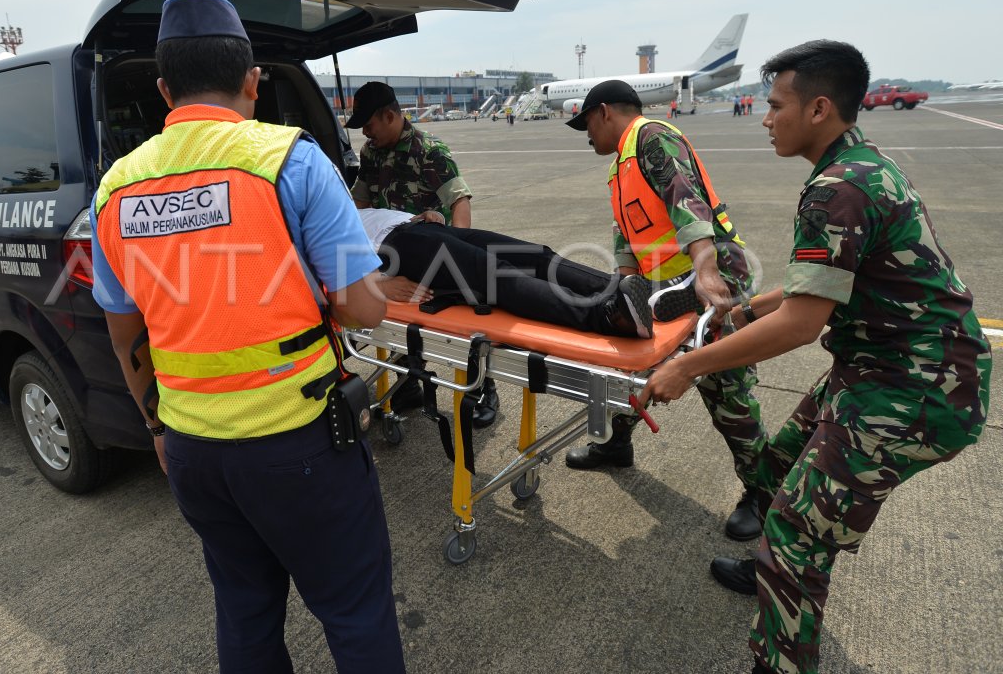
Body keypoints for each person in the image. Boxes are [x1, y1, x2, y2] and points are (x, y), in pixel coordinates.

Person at [641, 40, 991, 674]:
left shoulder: (837, 189)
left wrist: (686, 366)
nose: (766, 117)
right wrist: (742, 312)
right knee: (779, 468)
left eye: (776, 105)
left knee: (797, 532)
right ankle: (774, 578)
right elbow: (816, 284)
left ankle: (778, 657)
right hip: (884, 368)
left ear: (819, 108)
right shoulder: (861, 164)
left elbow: (802, 323)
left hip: (914, 389)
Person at [91, 0, 405, 673]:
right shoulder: (289, 160)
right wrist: (367, 292)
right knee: (353, 613)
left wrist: (156, 427)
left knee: (244, 609)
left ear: (165, 91)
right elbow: (362, 308)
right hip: (297, 443)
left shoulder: (113, 191)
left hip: (193, 449)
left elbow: (122, 331)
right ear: (254, 81)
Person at [562, 79, 768, 543]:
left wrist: (706, 269)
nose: (587, 134)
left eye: (586, 124)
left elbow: (686, 198)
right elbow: (626, 232)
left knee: (723, 385)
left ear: (605, 113)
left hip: (708, 275)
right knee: (633, 365)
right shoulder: (620, 167)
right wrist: (624, 283)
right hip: (663, 283)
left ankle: (762, 491)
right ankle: (617, 444)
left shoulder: (650, 137)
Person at [346, 81, 500, 427]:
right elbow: (361, 202)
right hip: (393, 251)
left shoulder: (429, 149)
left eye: (369, 125)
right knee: (401, 325)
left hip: (435, 253)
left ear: (390, 115)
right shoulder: (371, 152)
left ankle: (482, 389)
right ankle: (409, 382)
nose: (366, 134)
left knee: (463, 328)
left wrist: (460, 258)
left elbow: (459, 201)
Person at [361, 207, 654, 337]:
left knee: (537, 256)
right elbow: (315, 272)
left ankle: (628, 293)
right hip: (395, 248)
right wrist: (378, 286)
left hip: (418, 227)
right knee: (498, 275)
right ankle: (609, 317)